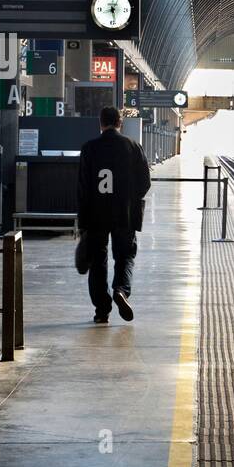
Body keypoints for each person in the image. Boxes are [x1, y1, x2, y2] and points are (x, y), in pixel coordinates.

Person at [77, 105, 152, 324]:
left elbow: (82, 188)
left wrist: (82, 222)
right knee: (125, 256)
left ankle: (102, 310)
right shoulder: (133, 147)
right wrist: (129, 198)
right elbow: (145, 182)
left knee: (98, 261)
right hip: (125, 214)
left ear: (100, 123)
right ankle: (121, 290)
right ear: (120, 122)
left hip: (96, 215)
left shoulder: (89, 149)